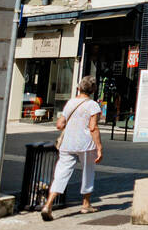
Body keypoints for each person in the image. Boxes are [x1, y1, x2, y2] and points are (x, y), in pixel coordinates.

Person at [41, 75, 103, 221]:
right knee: (88, 172)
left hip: (68, 143)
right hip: (86, 144)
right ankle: (86, 204)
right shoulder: (93, 105)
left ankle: (48, 204)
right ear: (93, 89)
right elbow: (93, 128)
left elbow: (59, 124)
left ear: (79, 88)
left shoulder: (70, 103)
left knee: (61, 173)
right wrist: (99, 147)